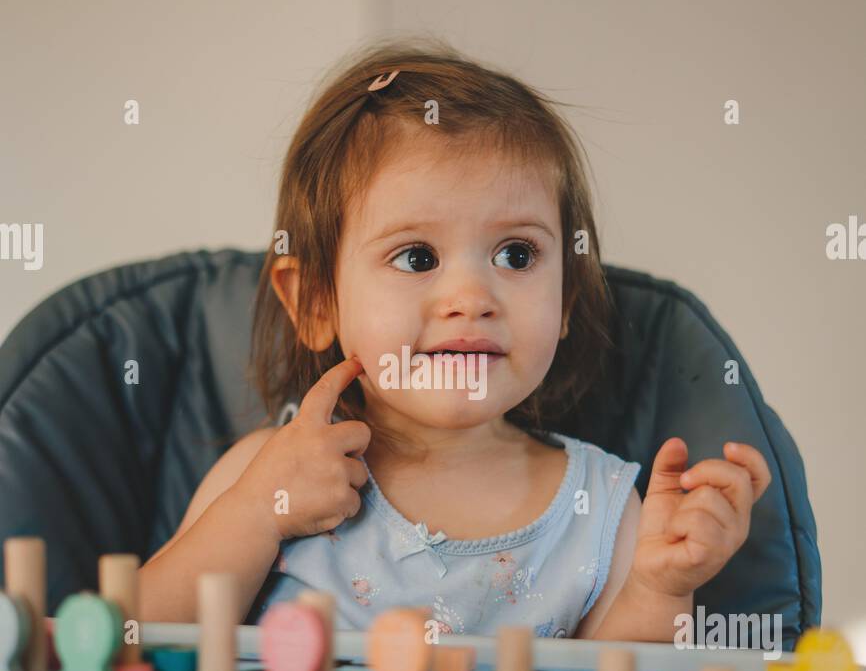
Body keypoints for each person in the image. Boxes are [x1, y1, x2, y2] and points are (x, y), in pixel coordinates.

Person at [139, 38, 770, 638]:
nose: (472, 299)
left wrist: (660, 591)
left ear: (567, 298)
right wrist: (255, 512)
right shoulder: (265, 474)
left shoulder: (600, 506)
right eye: (417, 257)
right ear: (316, 302)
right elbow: (133, 638)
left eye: (517, 256)